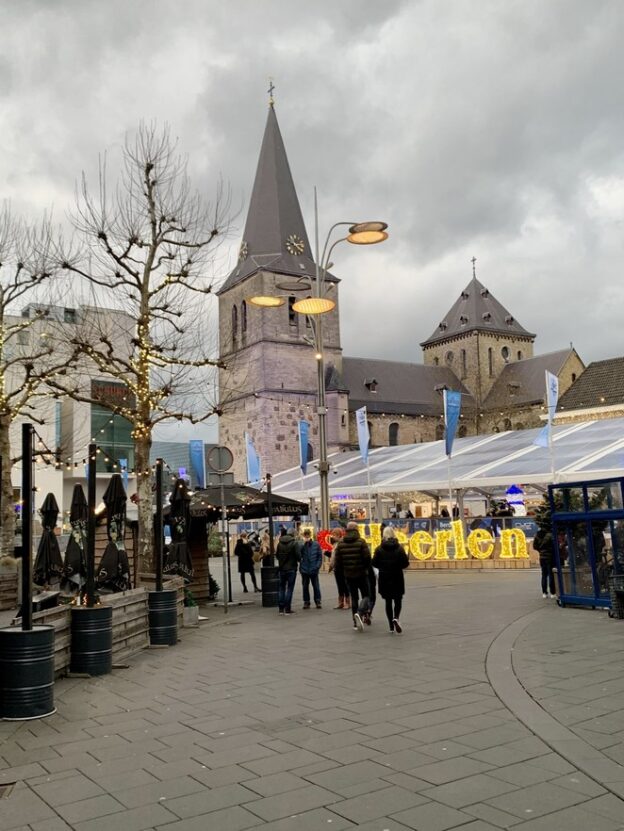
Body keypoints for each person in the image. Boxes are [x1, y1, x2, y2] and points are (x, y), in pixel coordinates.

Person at [333, 521, 372, 631]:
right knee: (366, 595)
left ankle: (355, 622)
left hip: (349, 575)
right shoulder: (361, 542)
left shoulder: (341, 544)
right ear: (356, 530)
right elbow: (367, 558)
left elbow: (338, 561)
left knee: (354, 597)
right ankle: (360, 613)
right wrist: (364, 568)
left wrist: (344, 571)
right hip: (361, 574)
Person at [372, 526, 409, 633]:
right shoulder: (399, 548)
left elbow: (374, 563)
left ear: (384, 535)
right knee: (398, 599)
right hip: (397, 576)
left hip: (384, 577)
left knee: (388, 601)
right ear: (393, 534)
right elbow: (405, 564)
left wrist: (383, 567)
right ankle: (396, 618)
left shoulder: (379, 549)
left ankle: (391, 626)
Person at [275, 527, 300, 615]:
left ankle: (281, 609)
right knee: (289, 589)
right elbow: (298, 556)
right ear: (293, 534)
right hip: (291, 569)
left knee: (281, 588)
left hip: (282, 569)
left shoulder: (279, 543)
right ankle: (287, 608)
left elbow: (277, 555)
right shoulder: (294, 543)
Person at [299, 529, 323, 609]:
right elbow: (298, 555)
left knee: (316, 586)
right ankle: (306, 602)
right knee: (305, 587)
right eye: (305, 535)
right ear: (303, 536)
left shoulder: (316, 544)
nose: (307, 536)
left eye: (308, 535)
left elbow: (319, 556)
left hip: (313, 569)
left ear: (310, 535)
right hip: (304, 569)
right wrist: (303, 545)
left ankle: (318, 601)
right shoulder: (301, 544)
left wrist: (317, 566)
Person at [328, 528, 350, 609]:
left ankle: (347, 602)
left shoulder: (341, 543)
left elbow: (335, 557)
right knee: (340, 585)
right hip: (337, 567)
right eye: (333, 534)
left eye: (334, 535)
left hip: (342, 567)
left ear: (339, 535)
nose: (333, 536)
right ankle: (341, 602)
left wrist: (331, 566)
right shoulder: (335, 544)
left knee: (344, 585)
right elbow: (333, 556)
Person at [532, 526, 556, 598]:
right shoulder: (550, 535)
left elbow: (534, 546)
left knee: (544, 575)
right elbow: (553, 545)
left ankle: (544, 593)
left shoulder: (537, 535)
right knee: (551, 575)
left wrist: (540, 551)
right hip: (549, 557)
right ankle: (552, 592)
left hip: (542, 557)